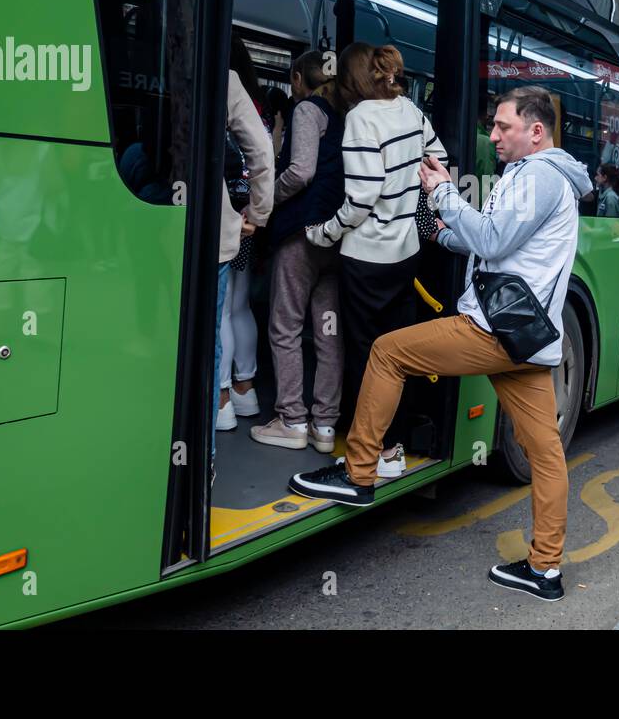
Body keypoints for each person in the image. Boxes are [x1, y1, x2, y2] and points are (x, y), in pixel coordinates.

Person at [289, 86, 592, 603]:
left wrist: (443, 192)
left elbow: (494, 239)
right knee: (546, 454)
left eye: (503, 126)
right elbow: (495, 244)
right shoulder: (551, 175)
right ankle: (545, 569)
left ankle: (359, 472)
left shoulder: (539, 175)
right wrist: (441, 234)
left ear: (536, 131)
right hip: (527, 339)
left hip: (493, 330)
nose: (492, 135)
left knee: (387, 352)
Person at [304, 43, 448, 477]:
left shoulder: (361, 118)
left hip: (366, 258)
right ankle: (394, 448)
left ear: (351, 80)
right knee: (395, 353)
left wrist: (324, 231)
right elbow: (438, 159)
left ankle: (371, 451)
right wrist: (406, 202)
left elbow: (362, 196)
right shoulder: (410, 110)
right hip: (405, 253)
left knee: (365, 355)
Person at [251, 51, 346, 453]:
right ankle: (325, 425)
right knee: (328, 330)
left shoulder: (308, 109)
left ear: (296, 77)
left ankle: (292, 420)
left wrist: (265, 198)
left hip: (301, 235)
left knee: (285, 325)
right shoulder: (345, 113)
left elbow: (301, 170)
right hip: (335, 235)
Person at [213, 35, 274, 454]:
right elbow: (263, 153)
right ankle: (246, 389)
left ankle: (221, 402)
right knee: (240, 306)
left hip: (225, 219)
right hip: (241, 220)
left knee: (221, 314)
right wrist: (258, 212)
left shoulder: (207, 79)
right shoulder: (253, 102)